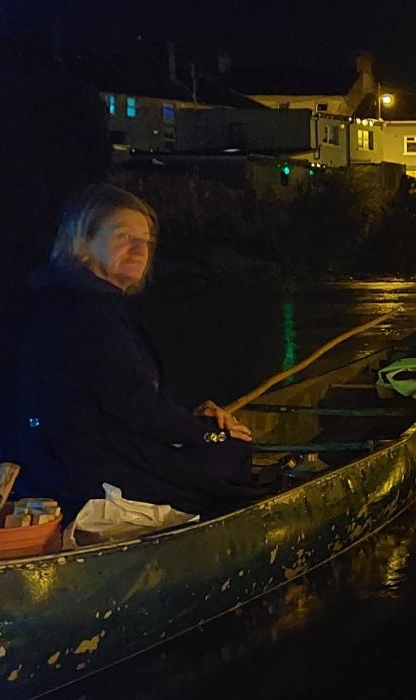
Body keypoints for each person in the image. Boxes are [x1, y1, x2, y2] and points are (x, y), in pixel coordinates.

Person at [14, 183, 268, 517]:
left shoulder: (68, 299)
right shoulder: (89, 312)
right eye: (123, 237)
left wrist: (190, 419)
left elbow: (120, 394)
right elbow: (135, 404)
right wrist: (208, 435)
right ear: (82, 243)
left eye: (145, 241)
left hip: (67, 455)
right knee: (234, 452)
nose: (139, 249)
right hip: (87, 466)